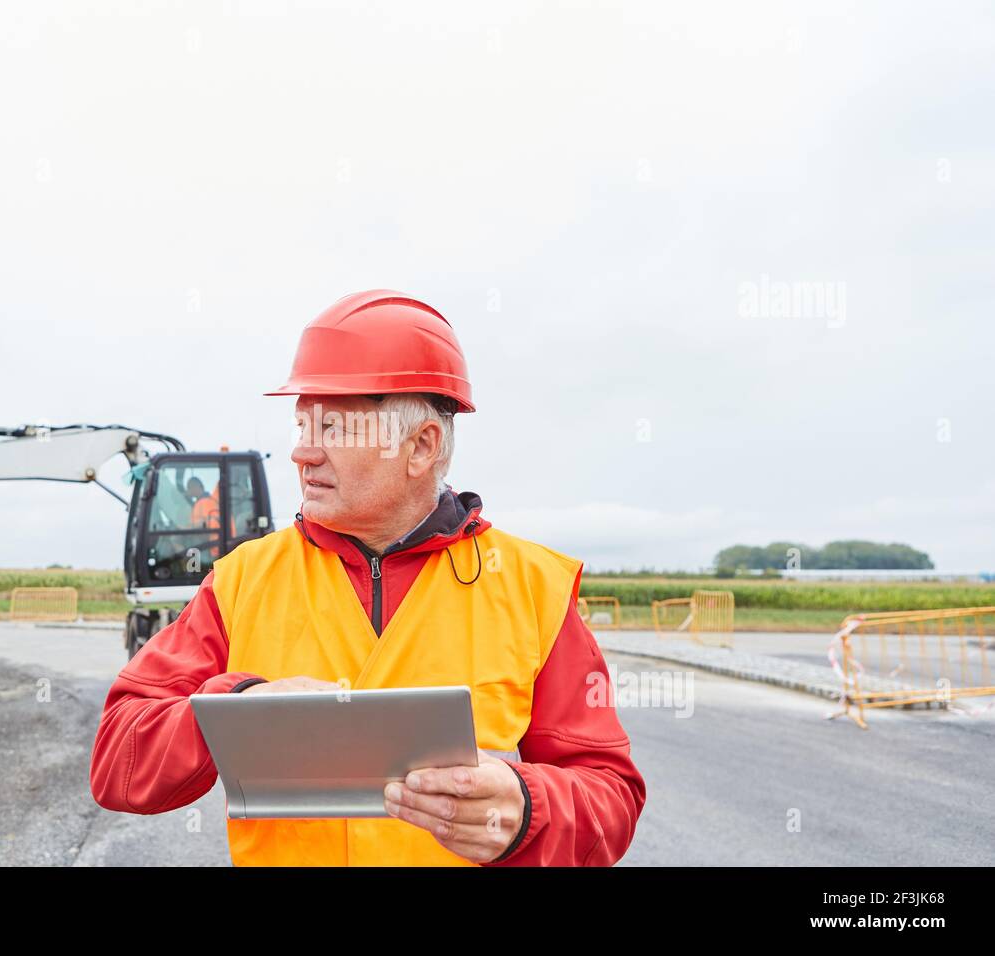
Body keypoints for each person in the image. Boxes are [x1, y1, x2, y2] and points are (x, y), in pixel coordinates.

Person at [90, 289, 646, 866]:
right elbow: (118, 764)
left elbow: (611, 799)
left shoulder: (533, 589)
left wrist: (529, 809)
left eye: (333, 427)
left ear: (421, 446)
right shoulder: (242, 581)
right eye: (301, 425)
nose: (303, 453)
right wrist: (235, 710)